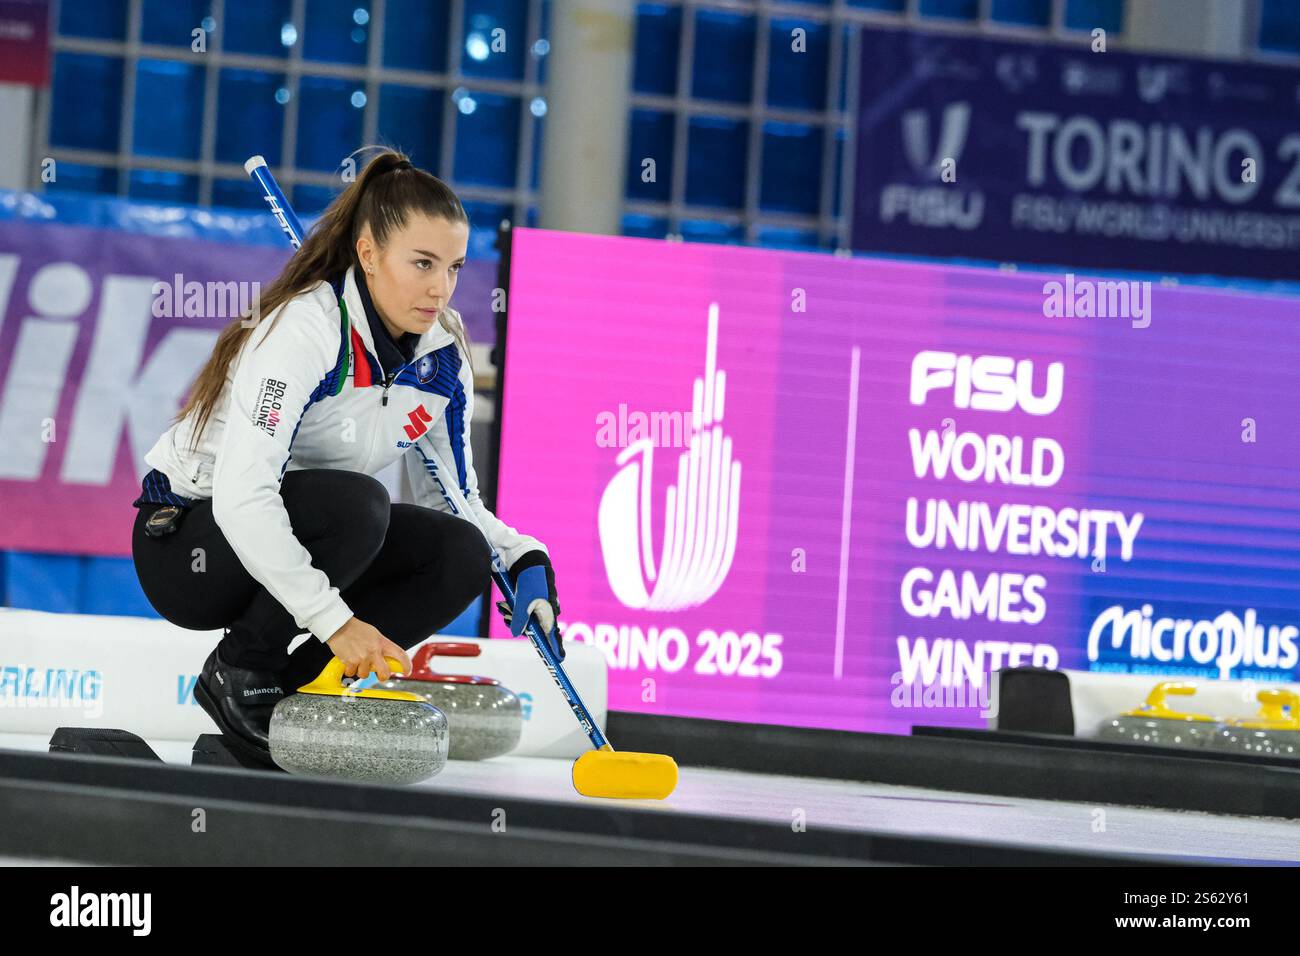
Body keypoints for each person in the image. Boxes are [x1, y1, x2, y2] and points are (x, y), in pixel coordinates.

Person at [130, 148, 562, 768]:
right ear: (367, 254)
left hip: (300, 534)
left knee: (459, 554)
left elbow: (458, 504)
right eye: (422, 263)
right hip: (190, 547)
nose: (441, 288)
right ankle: (241, 672)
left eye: (455, 268)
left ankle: (299, 692)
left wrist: (523, 559)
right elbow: (243, 497)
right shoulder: (304, 330)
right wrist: (335, 622)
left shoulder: (442, 362)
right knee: (359, 505)